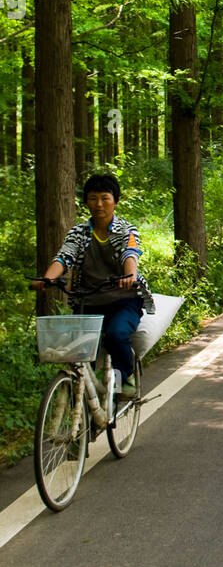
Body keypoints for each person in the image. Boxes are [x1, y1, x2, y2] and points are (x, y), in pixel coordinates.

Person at [33, 172, 155, 427]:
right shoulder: (79, 233)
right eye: (93, 199)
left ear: (115, 201)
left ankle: (127, 379)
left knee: (116, 335)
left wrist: (130, 276)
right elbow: (64, 257)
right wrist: (47, 279)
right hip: (87, 301)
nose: (99, 204)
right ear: (86, 202)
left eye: (104, 198)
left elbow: (130, 253)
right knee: (75, 354)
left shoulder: (125, 229)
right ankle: (83, 408)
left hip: (123, 300)